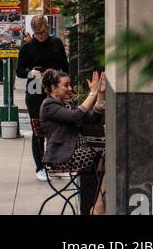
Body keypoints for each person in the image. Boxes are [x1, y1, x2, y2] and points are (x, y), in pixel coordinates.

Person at [41, 69, 106, 215]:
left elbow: (92, 118)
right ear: (53, 88)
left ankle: (98, 204)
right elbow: (77, 116)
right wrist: (92, 93)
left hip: (76, 152)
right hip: (62, 156)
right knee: (108, 157)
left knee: (109, 157)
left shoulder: (65, 104)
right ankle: (98, 206)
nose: (70, 89)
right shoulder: (49, 106)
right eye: (66, 85)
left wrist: (100, 94)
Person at [16, 14, 70, 178]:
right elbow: (19, 71)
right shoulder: (27, 47)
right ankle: (40, 167)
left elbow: (65, 66)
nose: (39, 36)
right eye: (36, 34)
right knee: (38, 129)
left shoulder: (56, 43)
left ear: (47, 29)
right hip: (35, 89)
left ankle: (52, 163)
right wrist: (30, 73)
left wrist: (66, 85)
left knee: (56, 129)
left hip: (54, 89)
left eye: (42, 33)